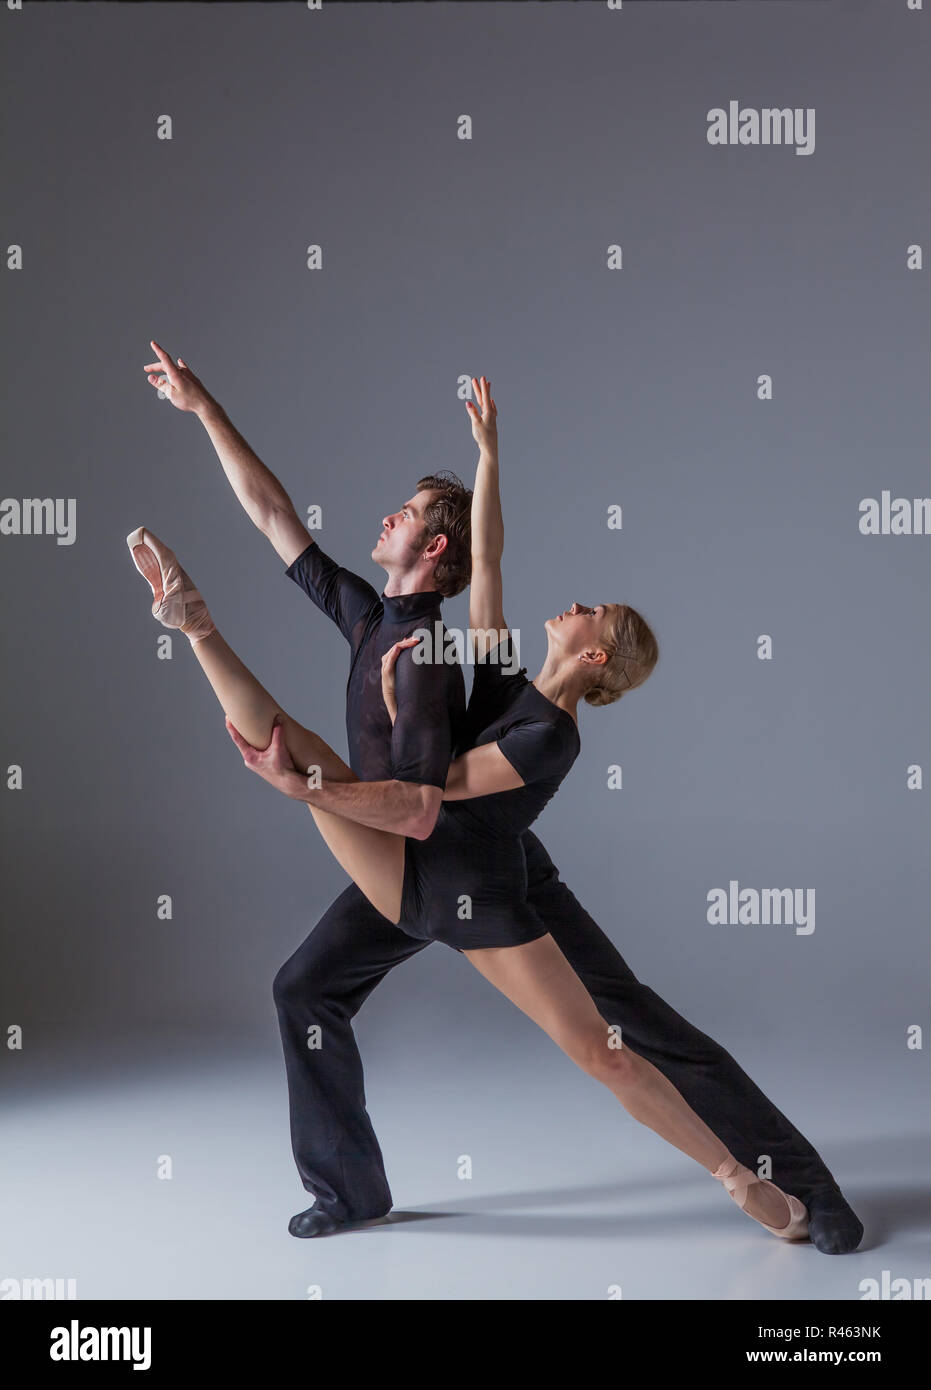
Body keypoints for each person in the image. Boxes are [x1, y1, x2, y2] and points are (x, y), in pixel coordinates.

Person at [131, 343, 863, 1254]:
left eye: (593, 608)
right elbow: (465, 559)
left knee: (626, 1025)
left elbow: (426, 794)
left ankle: (796, 1180)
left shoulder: (530, 723)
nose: (577, 600)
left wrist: (357, 742)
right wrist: (483, 453)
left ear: (596, 655)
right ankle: (350, 1193)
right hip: (436, 852)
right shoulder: (484, 661)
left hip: (468, 864)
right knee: (304, 989)